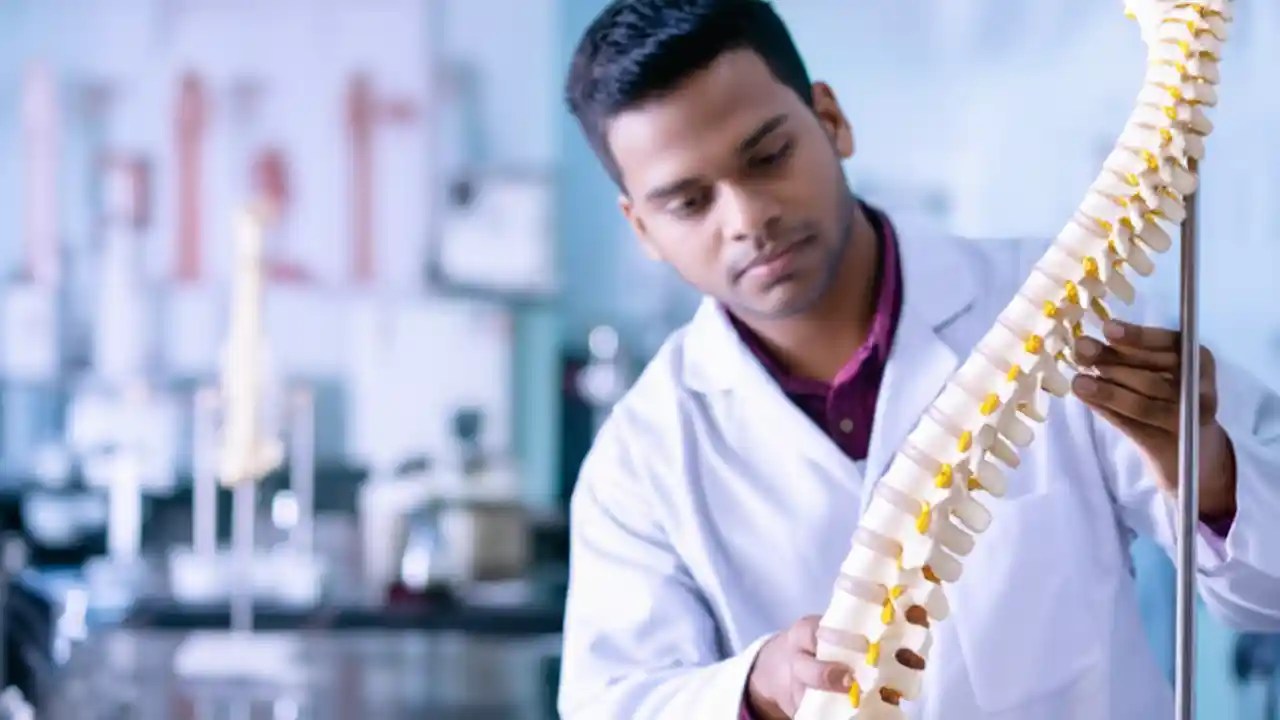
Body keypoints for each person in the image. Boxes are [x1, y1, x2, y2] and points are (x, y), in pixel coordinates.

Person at [555, 1, 1280, 718]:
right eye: (688, 202)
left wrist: (1208, 471)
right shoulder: (640, 458)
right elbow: (611, 702)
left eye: (769, 156)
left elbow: (1270, 594)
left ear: (831, 122)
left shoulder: (1071, 310)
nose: (747, 220)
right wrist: (754, 688)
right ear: (641, 227)